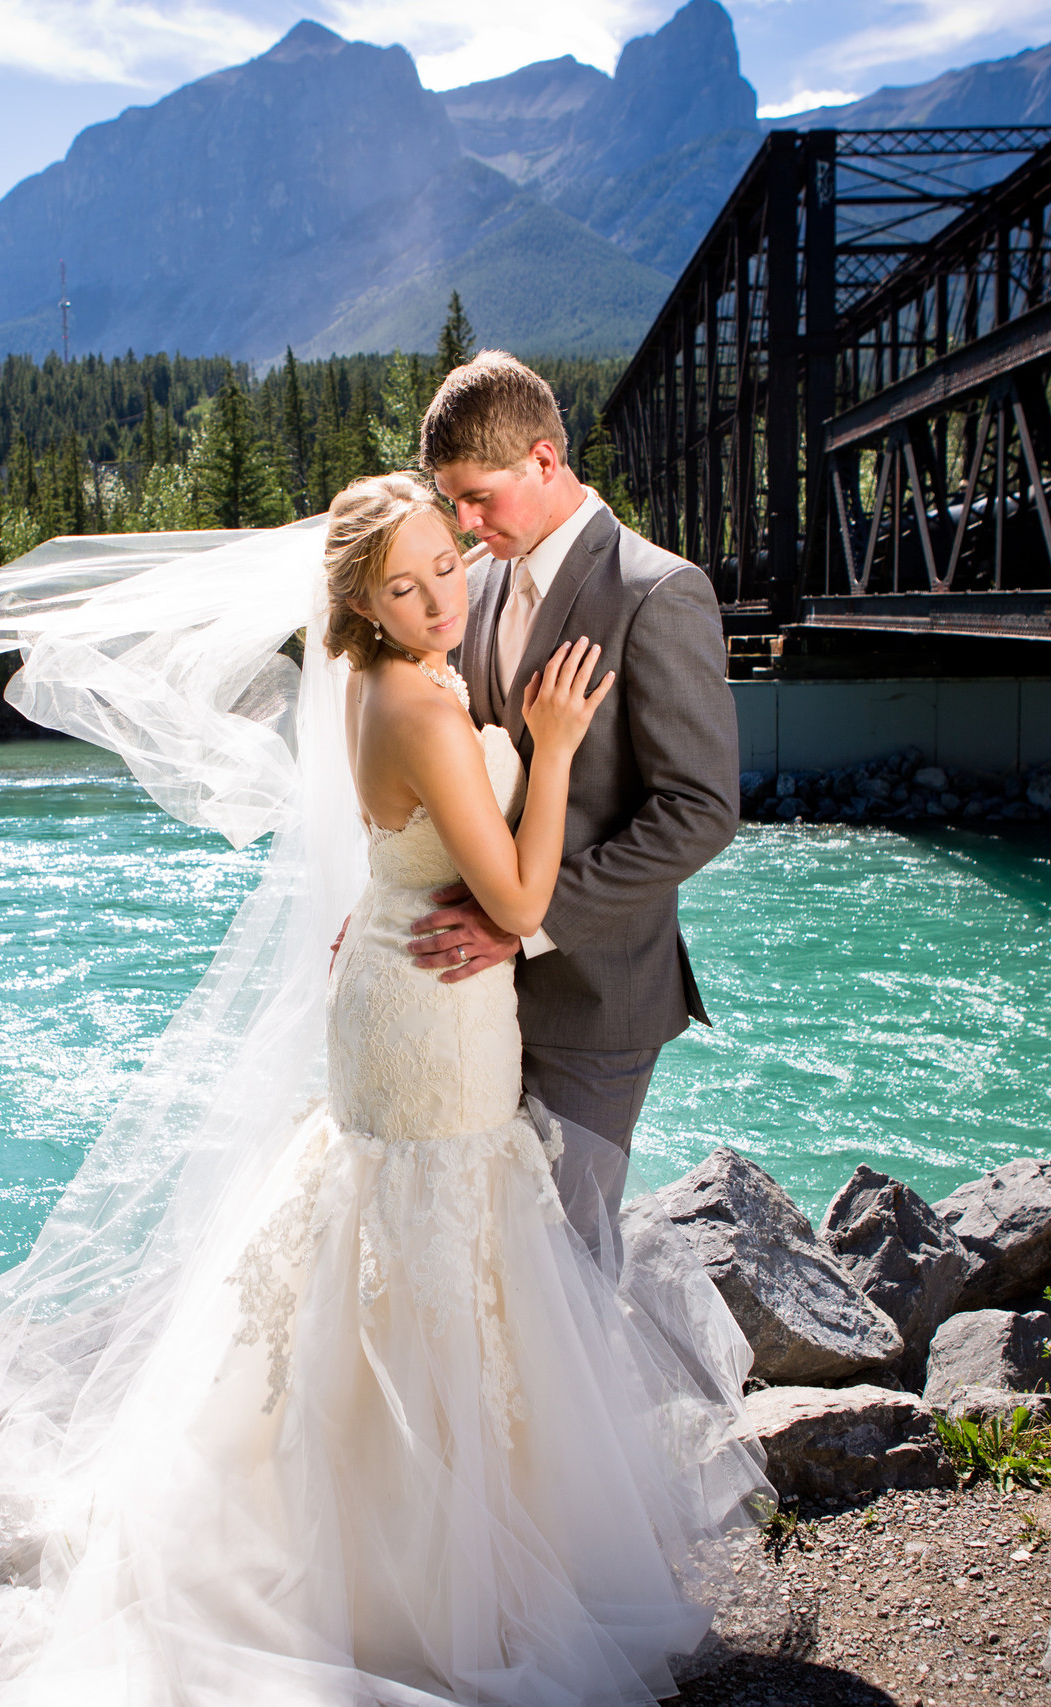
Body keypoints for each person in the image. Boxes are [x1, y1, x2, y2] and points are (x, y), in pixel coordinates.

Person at [0, 471, 771, 1707]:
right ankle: (418, 1576)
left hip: (404, 978)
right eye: (404, 589)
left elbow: (403, 845)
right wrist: (558, 747)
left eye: (444, 569)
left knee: (400, 1241)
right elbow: (521, 901)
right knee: (435, 1241)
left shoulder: (374, 680)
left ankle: (403, 1534)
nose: (440, 602)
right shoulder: (419, 704)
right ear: (360, 602)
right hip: (432, 1011)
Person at [404, 352, 740, 1252]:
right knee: (472, 1250)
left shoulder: (657, 592)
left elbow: (700, 809)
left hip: (596, 1000)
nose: (464, 524)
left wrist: (526, 923)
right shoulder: (473, 585)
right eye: (452, 501)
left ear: (545, 460)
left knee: (563, 1261)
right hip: (468, 996)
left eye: (479, 498)